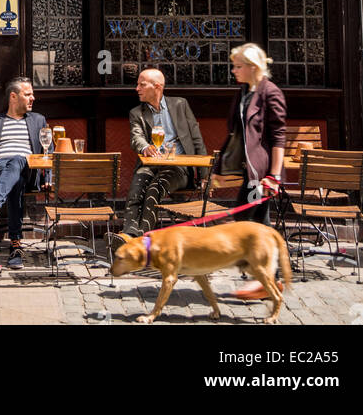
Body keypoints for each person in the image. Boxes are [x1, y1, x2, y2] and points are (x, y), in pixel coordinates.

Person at [217, 42, 287, 300]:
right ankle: (270, 281)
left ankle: (267, 280)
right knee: (257, 224)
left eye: (237, 66)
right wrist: (223, 167)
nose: (234, 70)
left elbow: (278, 136)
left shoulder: (271, 93)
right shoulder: (244, 91)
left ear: (252, 66)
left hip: (263, 174)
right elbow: (237, 134)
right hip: (251, 172)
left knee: (248, 223)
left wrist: (275, 176)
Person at [118, 68, 207, 239]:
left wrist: (204, 176)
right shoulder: (136, 113)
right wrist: (145, 148)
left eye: (142, 85)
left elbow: (197, 140)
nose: (137, 89)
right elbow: (136, 137)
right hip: (151, 165)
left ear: (157, 87)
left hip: (178, 168)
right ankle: (128, 236)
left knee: (154, 190)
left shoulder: (181, 105)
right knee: (136, 191)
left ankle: (144, 240)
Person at [0, 77, 48, 269]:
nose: (33, 98)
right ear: (13, 97)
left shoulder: (38, 120)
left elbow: (49, 151)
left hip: (27, 168)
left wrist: (48, 178)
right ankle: (16, 247)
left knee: (18, 160)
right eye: (28, 94)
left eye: (32, 94)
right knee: (16, 180)